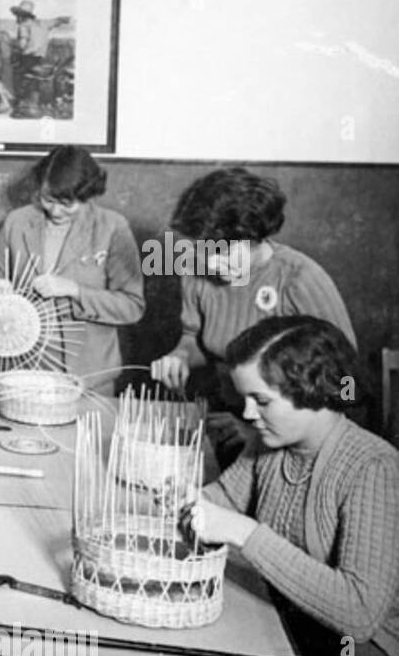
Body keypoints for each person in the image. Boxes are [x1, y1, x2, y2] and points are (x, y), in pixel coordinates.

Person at [121, 316, 399, 656]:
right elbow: (222, 502)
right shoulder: (268, 445)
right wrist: (183, 501)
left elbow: (359, 613)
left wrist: (245, 532)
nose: (247, 413)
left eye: (262, 400)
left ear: (313, 391)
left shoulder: (373, 468)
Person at [150, 168, 356, 466]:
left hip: (296, 438)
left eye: (224, 252)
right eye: (204, 250)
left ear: (256, 237)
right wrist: (180, 355)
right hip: (228, 421)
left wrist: (260, 429)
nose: (212, 263)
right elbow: (195, 339)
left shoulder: (299, 279)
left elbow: (349, 382)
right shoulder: (197, 273)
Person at [0, 145, 145, 396]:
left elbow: (132, 306)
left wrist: (75, 291)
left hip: (89, 378)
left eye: (67, 204)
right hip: (25, 373)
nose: (55, 211)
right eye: (48, 199)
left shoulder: (112, 227)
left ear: (88, 195)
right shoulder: (17, 223)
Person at [9, 0, 49, 117]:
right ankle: (33, 107)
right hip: (39, 59)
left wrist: (13, 46)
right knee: (34, 82)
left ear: (21, 15)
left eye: (17, 15)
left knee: (19, 79)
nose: (16, 17)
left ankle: (22, 108)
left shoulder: (23, 26)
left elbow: (22, 45)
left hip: (27, 59)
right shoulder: (39, 24)